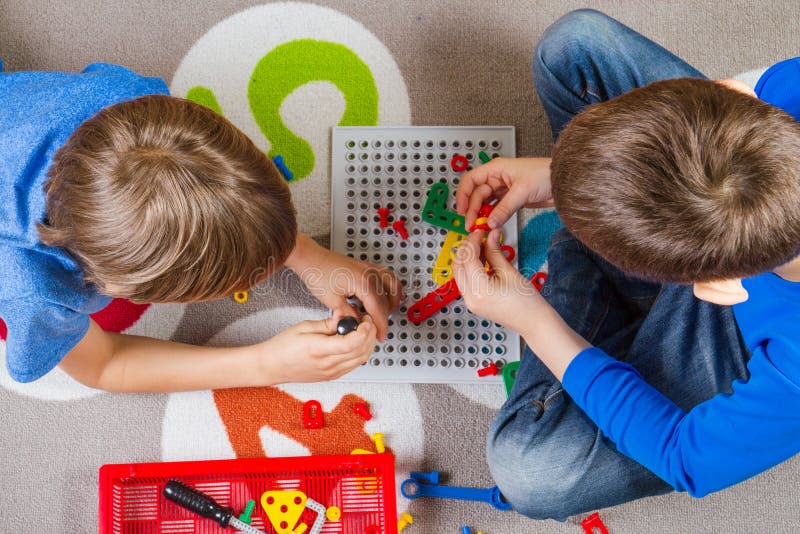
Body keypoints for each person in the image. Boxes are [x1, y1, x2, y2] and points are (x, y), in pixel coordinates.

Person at [453, 9, 800, 520]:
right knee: (575, 47)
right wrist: (563, 177)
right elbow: (730, 112)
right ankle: (597, 237)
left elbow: (683, 457)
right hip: (728, 221)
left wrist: (531, 317)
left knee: (530, 470)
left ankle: (584, 252)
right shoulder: (785, 94)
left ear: (720, 285)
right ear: (739, 102)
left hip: (749, 343)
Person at [0, 60, 401, 392]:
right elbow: (103, 365)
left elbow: (201, 191)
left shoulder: (127, 103)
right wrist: (267, 365)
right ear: (120, 289)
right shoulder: (35, 294)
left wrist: (308, 255)